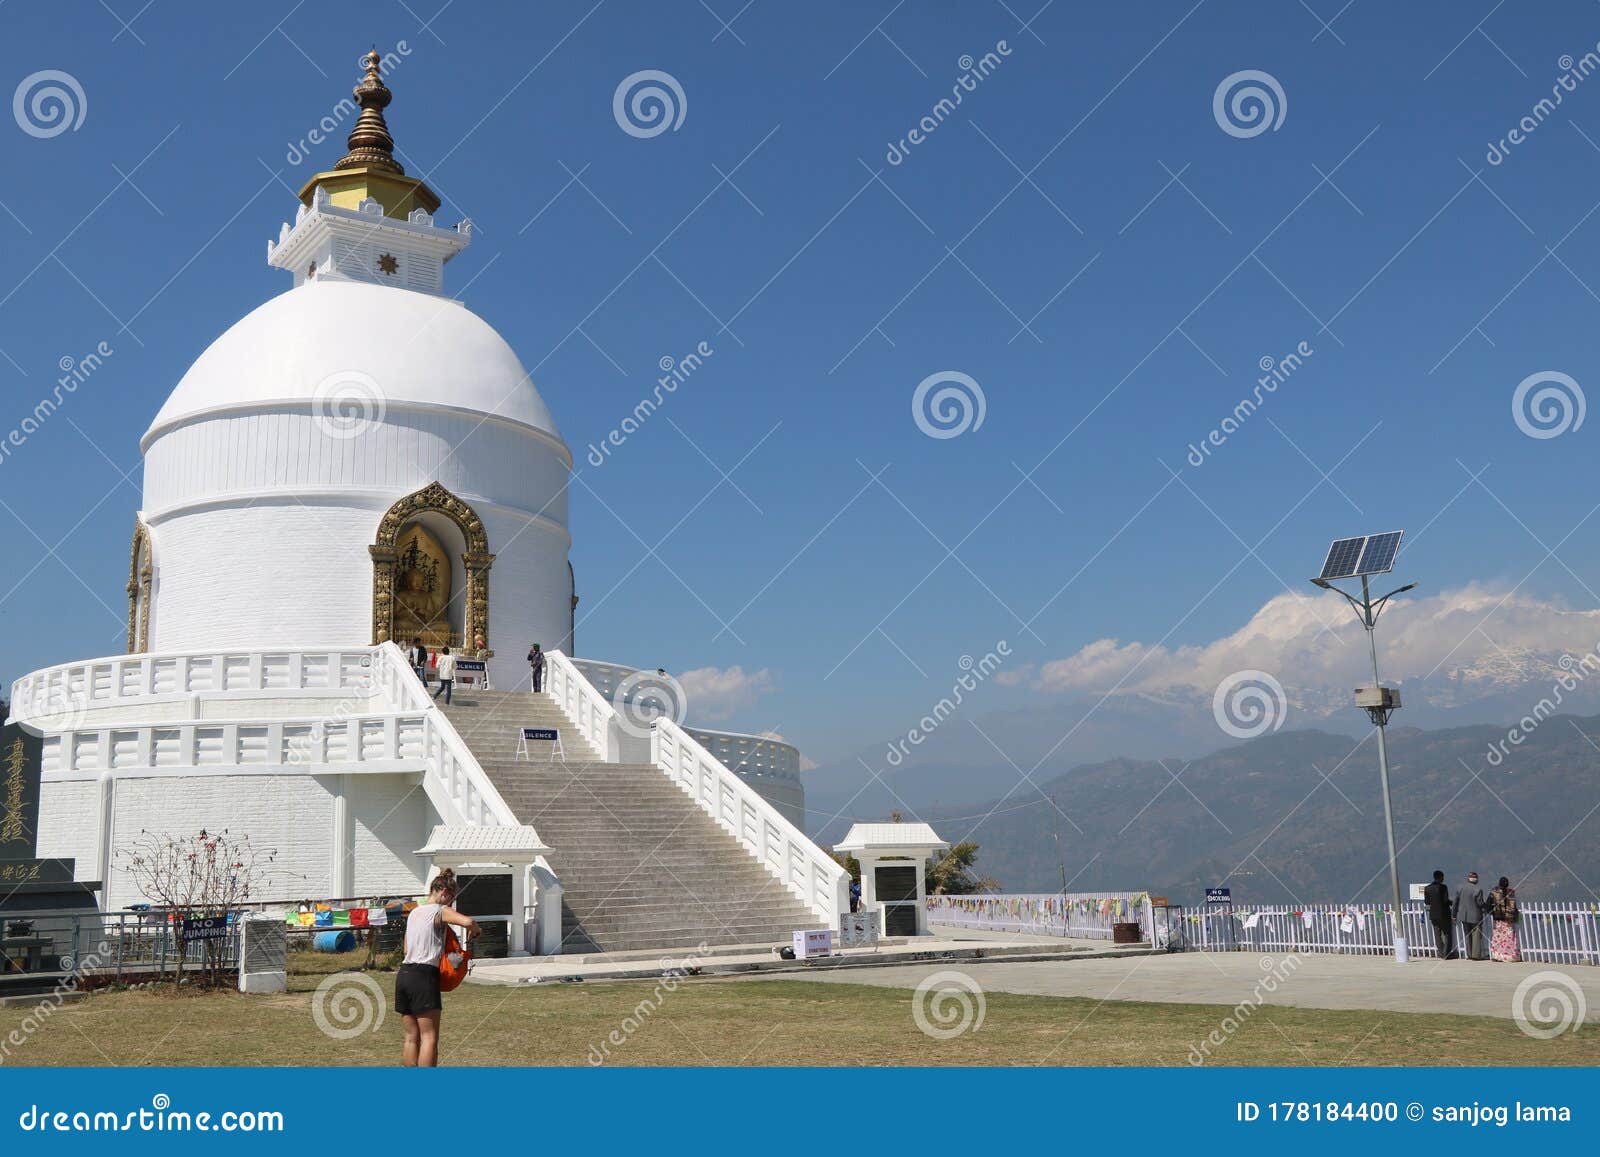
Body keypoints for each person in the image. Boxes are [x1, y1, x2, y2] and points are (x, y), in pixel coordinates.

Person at [396, 869, 480, 1067]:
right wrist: (476, 930)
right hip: (424, 975)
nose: (450, 903)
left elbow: (407, 947)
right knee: (429, 1038)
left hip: (404, 974)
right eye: (450, 898)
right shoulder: (439, 910)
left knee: (411, 1037)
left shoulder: (414, 912)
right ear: (443, 892)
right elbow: (468, 921)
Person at [1454, 871, 1488, 960]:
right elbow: (1480, 903)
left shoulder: (1460, 888)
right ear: (1476, 880)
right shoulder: (1478, 889)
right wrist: (1486, 906)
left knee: (1467, 935)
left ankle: (1469, 954)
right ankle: (1476, 955)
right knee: (1476, 935)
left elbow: (1455, 903)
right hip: (1475, 916)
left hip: (1463, 916)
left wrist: (1454, 915)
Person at [1423, 869, 1454, 959]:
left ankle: (1441, 953)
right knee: (1447, 933)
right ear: (1440, 877)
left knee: (1437, 934)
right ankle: (1446, 953)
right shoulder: (1443, 887)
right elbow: (1445, 901)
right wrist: (1451, 903)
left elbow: (1427, 902)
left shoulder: (1427, 888)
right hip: (1444, 914)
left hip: (1433, 915)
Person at [1489, 876, 1522, 962]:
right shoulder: (1511, 893)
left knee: (1498, 938)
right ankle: (1508, 956)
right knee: (1509, 937)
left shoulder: (1494, 892)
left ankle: (1497, 955)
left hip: (1498, 919)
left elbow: (1488, 904)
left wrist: (1491, 913)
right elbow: (1514, 906)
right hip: (1509, 919)